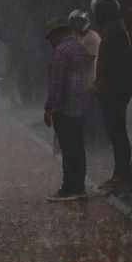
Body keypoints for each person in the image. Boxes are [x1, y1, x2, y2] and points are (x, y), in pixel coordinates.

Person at [43, 17, 92, 201]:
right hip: (81, 105)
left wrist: (48, 108)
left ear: (57, 35)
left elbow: (56, 84)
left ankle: (69, 188)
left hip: (65, 108)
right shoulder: (80, 48)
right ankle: (79, 186)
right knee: (78, 148)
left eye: (50, 37)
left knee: (68, 149)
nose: (50, 41)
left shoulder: (61, 52)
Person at [91, 0, 132, 192]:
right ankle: (119, 175)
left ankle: (121, 176)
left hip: (113, 93)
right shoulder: (115, 33)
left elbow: (118, 69)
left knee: (118, 135)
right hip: (110, 91)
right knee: (115, 135)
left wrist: (105, 88)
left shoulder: (116, 36)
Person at [68, 9, 104, 147]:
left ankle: (92, 141)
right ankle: (85, 140)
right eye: (74, 23)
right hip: (79, 83)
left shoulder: (92, 37)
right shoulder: (77, 37)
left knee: (90, 115)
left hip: (90, 82)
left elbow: (88, 60)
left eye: (79, 22)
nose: (77, 25)